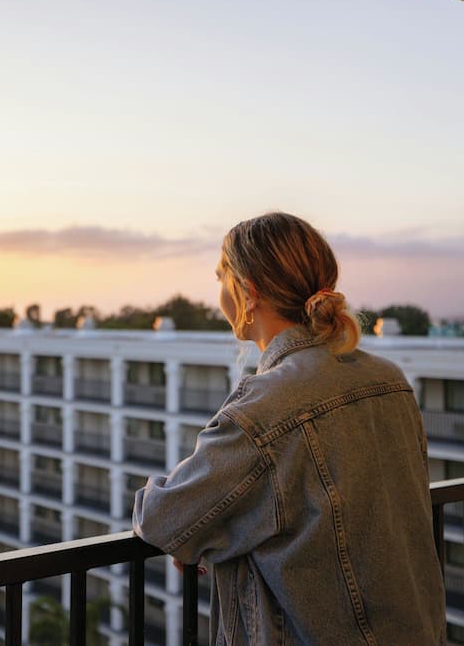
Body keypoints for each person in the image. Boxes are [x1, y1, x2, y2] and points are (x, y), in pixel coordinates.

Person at [132, 212, 445, 645]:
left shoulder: (267, 403)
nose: (218, 294)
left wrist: (209, 534)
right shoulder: (387, 378)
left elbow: (163, 517)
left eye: (221, 278)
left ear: (248, 291)